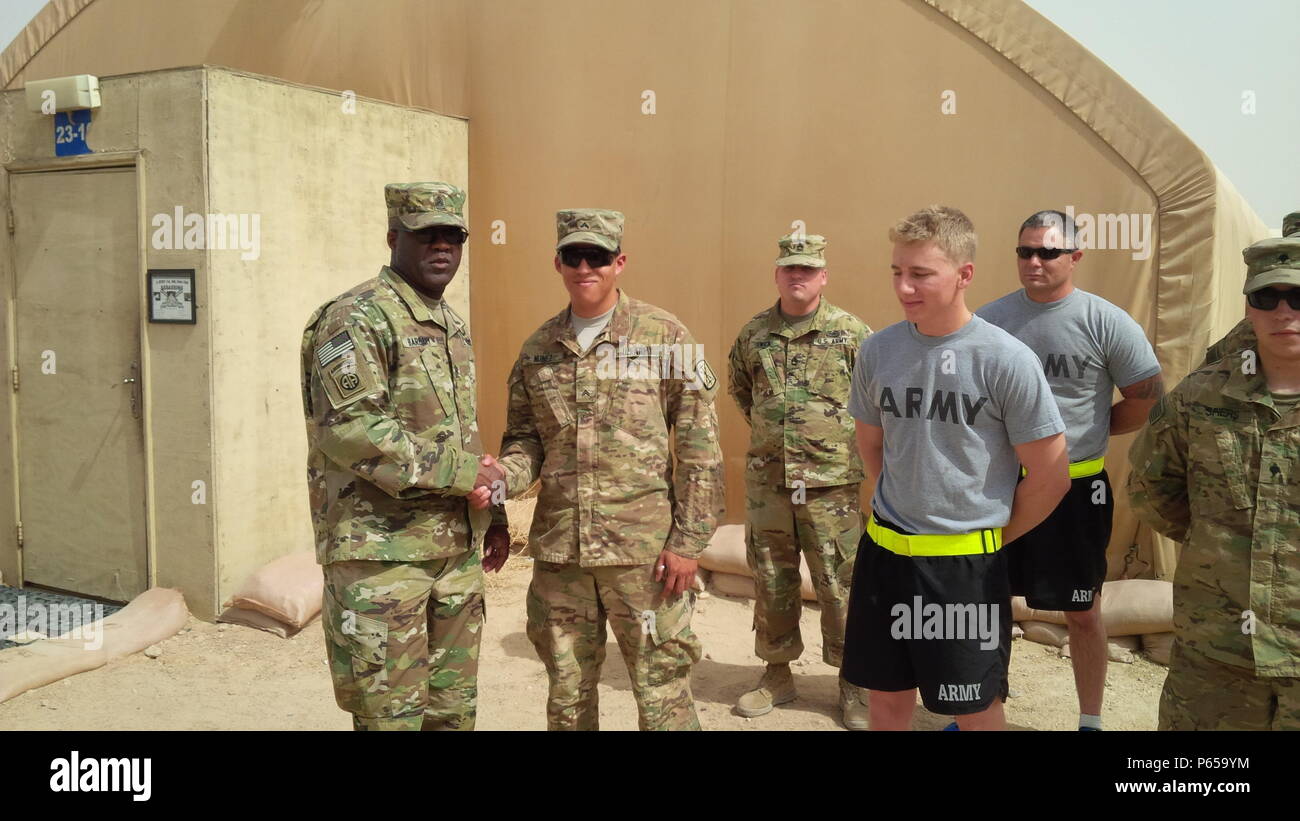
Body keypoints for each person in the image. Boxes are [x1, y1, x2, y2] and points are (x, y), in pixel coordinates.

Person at [841, 205, 1070, 730]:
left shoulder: (1005, 359)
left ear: (964, 274)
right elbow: (872, 447)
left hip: (964, 571)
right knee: (886, 698)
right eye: (898, 272)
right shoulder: (878, 351)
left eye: (921, 274)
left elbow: (1052, 476)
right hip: (885, 557)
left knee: (974, 709)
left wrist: (987, 538)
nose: (904, 287)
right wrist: (903, 509)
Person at [496, 208, 724, 730]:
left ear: (619, 262)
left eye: (596, 256)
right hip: (562, 553)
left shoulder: (664, 336)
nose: (584, 266)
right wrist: (500, 480)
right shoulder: (538, 350)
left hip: (642, 555)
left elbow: (699, 448)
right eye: (573, 256)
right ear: (557, 263)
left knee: (662, 687)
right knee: (567, 690)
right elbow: (525, 441)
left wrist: (688, 542)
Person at [300, 181, 509, 731]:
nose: (442, 248)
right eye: (426, 236)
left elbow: (458, 432)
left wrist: (491, 512)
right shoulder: (356, 318)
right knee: (390, 717)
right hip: (383, 558)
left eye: (452, 237)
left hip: (452, 555)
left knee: (451, 713)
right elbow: (352, 430)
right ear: (394, 236)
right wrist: (469, 475)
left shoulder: (449, 325)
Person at [977, 210, 1162, 731]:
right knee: (987, 602)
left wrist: (1085, 434)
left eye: (1047, 252)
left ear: (1075, 257)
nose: (1034, 261)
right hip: (1002, 486)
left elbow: (1147, 399)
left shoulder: (1106, 322)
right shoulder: (990, 321)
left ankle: (1090, 720)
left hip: (1077, 491)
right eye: (1024, 251)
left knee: (1083, 611)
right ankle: (984, 715)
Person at [1128, 230, 1300, 730]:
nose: (1284, 311)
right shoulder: (1200, 398)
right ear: (1248, 308)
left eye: (1298, 295)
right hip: (1218, 655)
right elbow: (1151, 489)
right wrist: (1219, 541)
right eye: (1266, 297)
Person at [727, 232, 873, 729]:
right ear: (777, 274)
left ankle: (854, 682)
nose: (798, 276)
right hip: (770, 481)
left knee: (842, 581)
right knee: (771, 577)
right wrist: (780, 440)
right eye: (790, 268)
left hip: (832, 484)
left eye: (808, 269)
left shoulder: (852, 332)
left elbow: (875, 401)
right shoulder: (753, 335)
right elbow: (741, 390)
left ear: (823, 276)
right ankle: (776, 672)